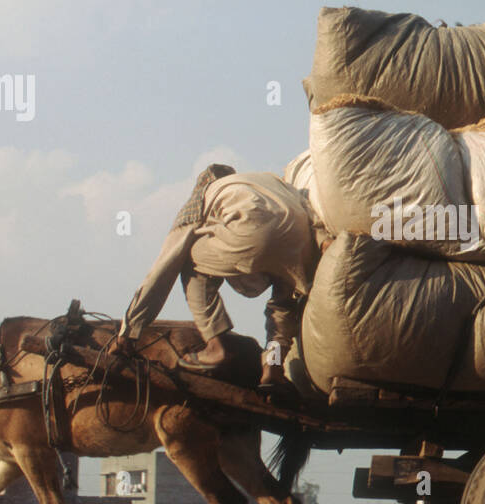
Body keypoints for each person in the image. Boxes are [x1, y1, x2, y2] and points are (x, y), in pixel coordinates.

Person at [114, 164, 327, 389]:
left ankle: (215, 345)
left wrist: (129, 331)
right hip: (299, 239)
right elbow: (310, 209)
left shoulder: (199, 200)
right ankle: (273, 367)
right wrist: (323, 240)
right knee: (283, 307)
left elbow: (163, 269)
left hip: (253, 230)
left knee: (189, 260)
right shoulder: (268, 182)